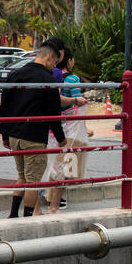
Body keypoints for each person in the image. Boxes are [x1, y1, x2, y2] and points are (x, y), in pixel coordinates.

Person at [0, 38, 67, 218]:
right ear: (49, 57)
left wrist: (4, 134)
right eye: (55, 62)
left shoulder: (16, 74)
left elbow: (6, 104)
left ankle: (12, 214)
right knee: (33, 181)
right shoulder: (47, 80)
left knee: (22, 177)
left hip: (15, 135)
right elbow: (53, 114)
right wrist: (61, 138)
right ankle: (27, 217)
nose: (54, 66)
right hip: (34, 136)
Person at [42, 46, 90, 214]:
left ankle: (48, 197)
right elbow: (76, 103)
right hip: (69, 128)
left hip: (50, 127)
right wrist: (86, 128)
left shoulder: (51, 76)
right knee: (68, 166)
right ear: (69, 60)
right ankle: (57, 202)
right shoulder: (73, 79)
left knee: (52, 164)